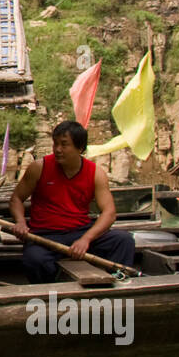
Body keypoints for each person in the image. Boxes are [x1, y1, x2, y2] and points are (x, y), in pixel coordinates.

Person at [9, 120, 136, 283]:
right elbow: (16, 199)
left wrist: (86, 239)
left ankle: (116, 285)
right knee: (34, 259)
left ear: (80, 148)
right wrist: (20, 222)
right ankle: (52, 294)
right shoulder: (39, 167)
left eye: (64, 144)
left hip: (80, 231)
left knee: (123, 241)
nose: (57, 150)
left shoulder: (95, 173)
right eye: (55, 144)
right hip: (45, 235)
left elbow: (109, 213)